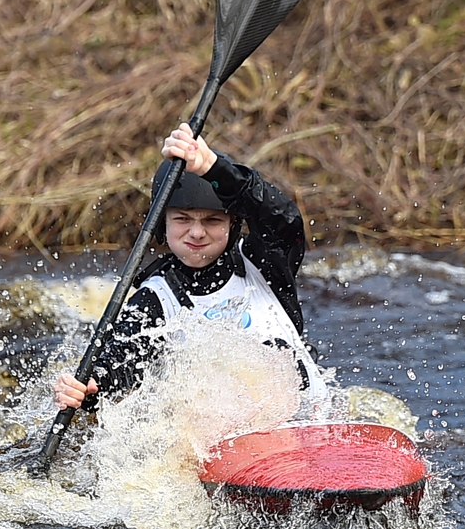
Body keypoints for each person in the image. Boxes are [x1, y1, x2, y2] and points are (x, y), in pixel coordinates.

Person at [53, 122, 327, 412]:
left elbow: (283, 219)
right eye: (183, 219)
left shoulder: (263, 263)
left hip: (309, 427)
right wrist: (90, 389)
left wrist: (213, 167)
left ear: (233, 225)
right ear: (163, 224)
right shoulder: (154, 299)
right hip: (234, 445)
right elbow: (120, 367)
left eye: (212, 221)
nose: (197, 233)